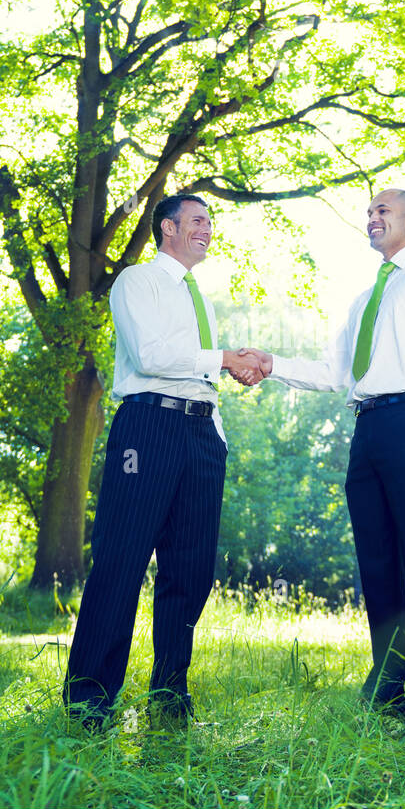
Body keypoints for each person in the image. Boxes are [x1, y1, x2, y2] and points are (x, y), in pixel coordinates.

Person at [248, 188, 405, 725]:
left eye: (383, 210)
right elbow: (335, 373)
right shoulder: (362, 301)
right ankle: (387, 686)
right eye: (369, 211)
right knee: (377, 565)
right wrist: (271, 362)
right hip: (367, 429)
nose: (372, 218)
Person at [62, 192, 263, 731]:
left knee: (190, 570)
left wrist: (229, 376)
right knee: (121, 561)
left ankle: (171, 697)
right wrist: (225, 358)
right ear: (168, 228)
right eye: (197, 220)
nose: (207, 229)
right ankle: (89, 702)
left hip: (202, 435)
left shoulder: (202, 300)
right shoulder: (137, 281)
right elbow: (150, 356)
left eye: (210, 222)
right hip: (147, 429)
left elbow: (199, 369)